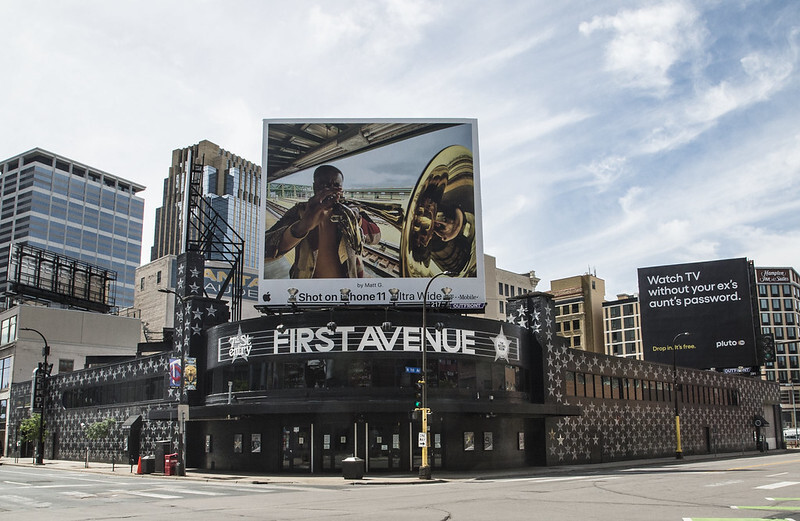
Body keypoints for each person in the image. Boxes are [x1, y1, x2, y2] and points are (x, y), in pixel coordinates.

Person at [264, 165, 381, 278]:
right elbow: (266, 248)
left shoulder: (351, 210)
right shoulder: (301, 210)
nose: (329, 190)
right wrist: (301, 227)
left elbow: (375, 238)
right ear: (315, 186)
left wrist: (357, 219)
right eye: (324, 185)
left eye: (336, 185)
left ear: (341, 188)